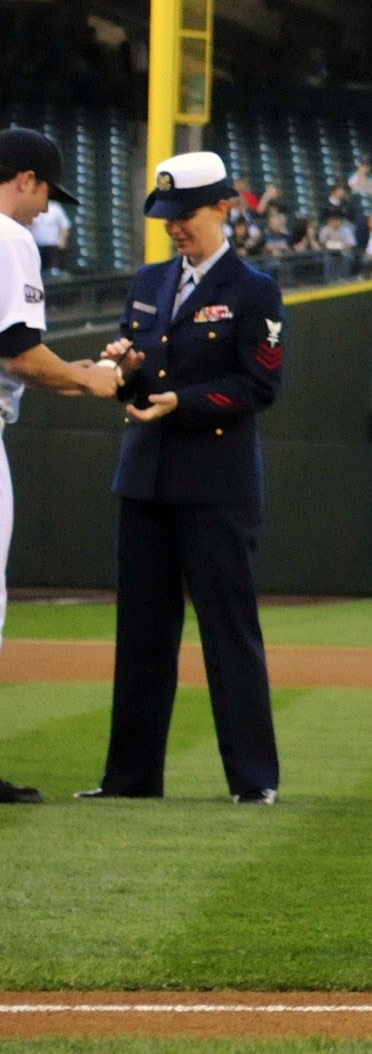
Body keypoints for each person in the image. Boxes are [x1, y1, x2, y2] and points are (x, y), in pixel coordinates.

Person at [78, 151, 290, 804]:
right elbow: (139, 376)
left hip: (215, 484)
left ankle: (253, 781)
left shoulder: (253, 290)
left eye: (185, 214)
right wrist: (125, 370)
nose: (175, 227)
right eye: (167, 216)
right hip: (144, 479)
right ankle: (130, 779)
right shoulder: (150, 281)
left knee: (229, 636)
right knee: (141, 634)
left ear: (223, 207)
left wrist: (183, 402)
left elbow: (259, 385)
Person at [0, 129, 124, 805]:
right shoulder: (9, 236)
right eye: (46, 190)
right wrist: (88, 380)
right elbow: (18, 349)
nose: (47, 208)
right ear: (25, 178)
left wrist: (64, 372)